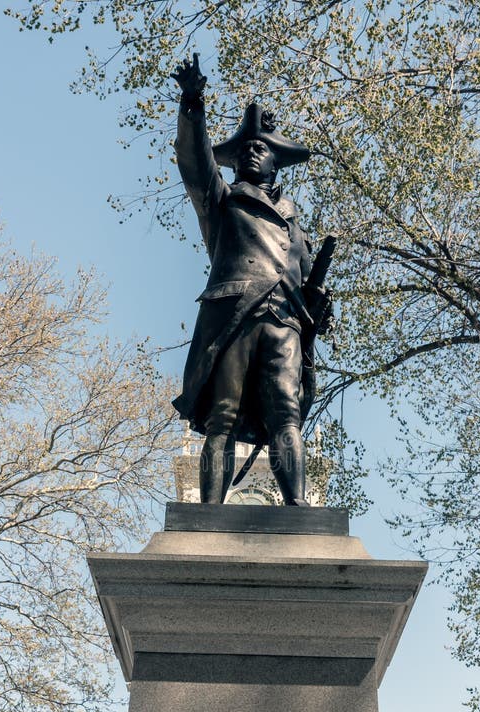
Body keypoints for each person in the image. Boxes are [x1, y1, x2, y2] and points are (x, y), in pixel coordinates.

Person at [172, 54, 326, 505]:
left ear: (276, 162)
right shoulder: (222, 203)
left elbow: (299, 281)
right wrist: (193, 103)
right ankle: (209, 512)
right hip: (235, 314)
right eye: (242, 150)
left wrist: (316, 307)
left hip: (285, 322)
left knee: (286, 412)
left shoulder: (297, 224)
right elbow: (195, 164)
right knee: (222, 415)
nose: (249, 153)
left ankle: (297, 506)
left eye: (259, 148)